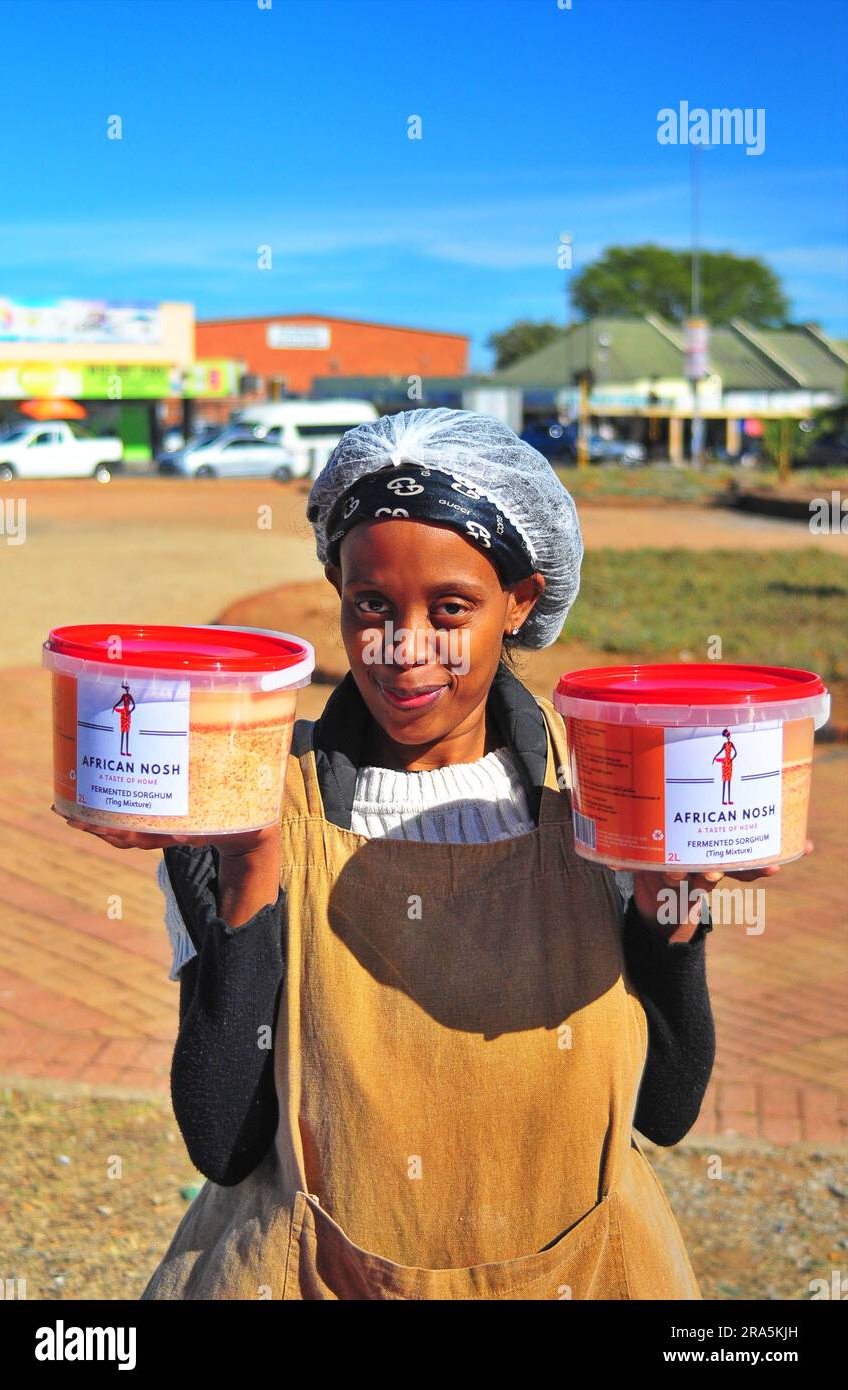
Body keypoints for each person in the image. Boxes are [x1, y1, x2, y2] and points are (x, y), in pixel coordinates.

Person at [59, 407, 803, 1300]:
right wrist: (249, 871)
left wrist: (669, 904)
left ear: (521, 601)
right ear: (335, 586)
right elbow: (223, 1141)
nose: (403, 649)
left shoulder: (610, 799)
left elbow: (665, 1111)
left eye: (451, 608)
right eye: (370, 604)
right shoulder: (238, 797)